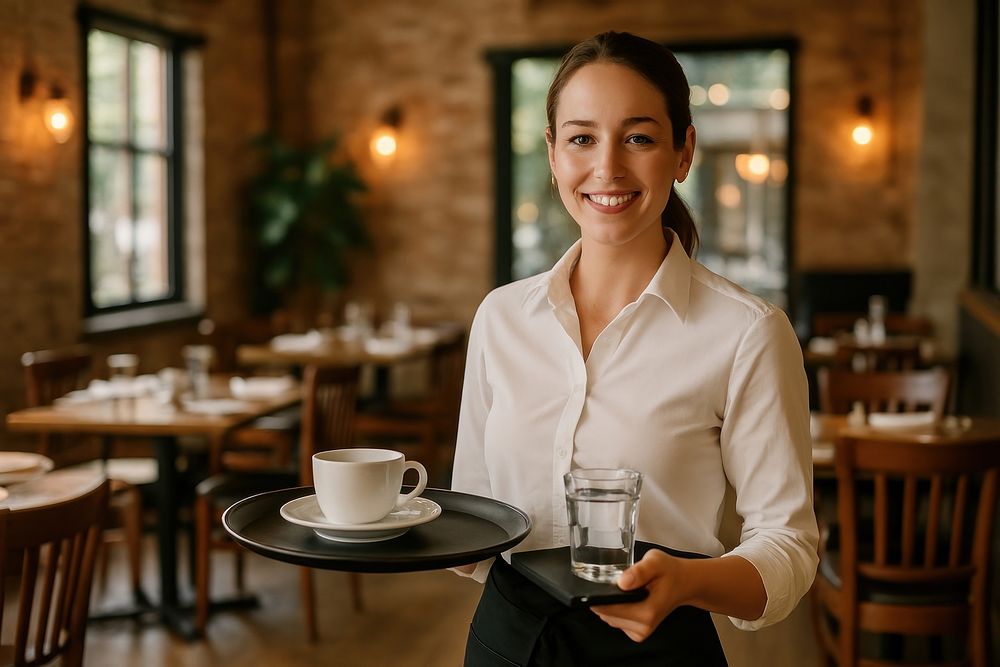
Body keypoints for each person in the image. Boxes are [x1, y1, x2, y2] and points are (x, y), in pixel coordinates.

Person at [452, 31, 818, 666]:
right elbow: (477, 520)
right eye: (582, 138)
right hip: (506, 644)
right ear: (552, 153)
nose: (608, 168)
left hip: (658, 650)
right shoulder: (501, 317)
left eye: (639, 138)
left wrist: (690, 582)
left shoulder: (746, 332)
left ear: (683, 152)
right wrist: (384, 525)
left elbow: (788, 545)